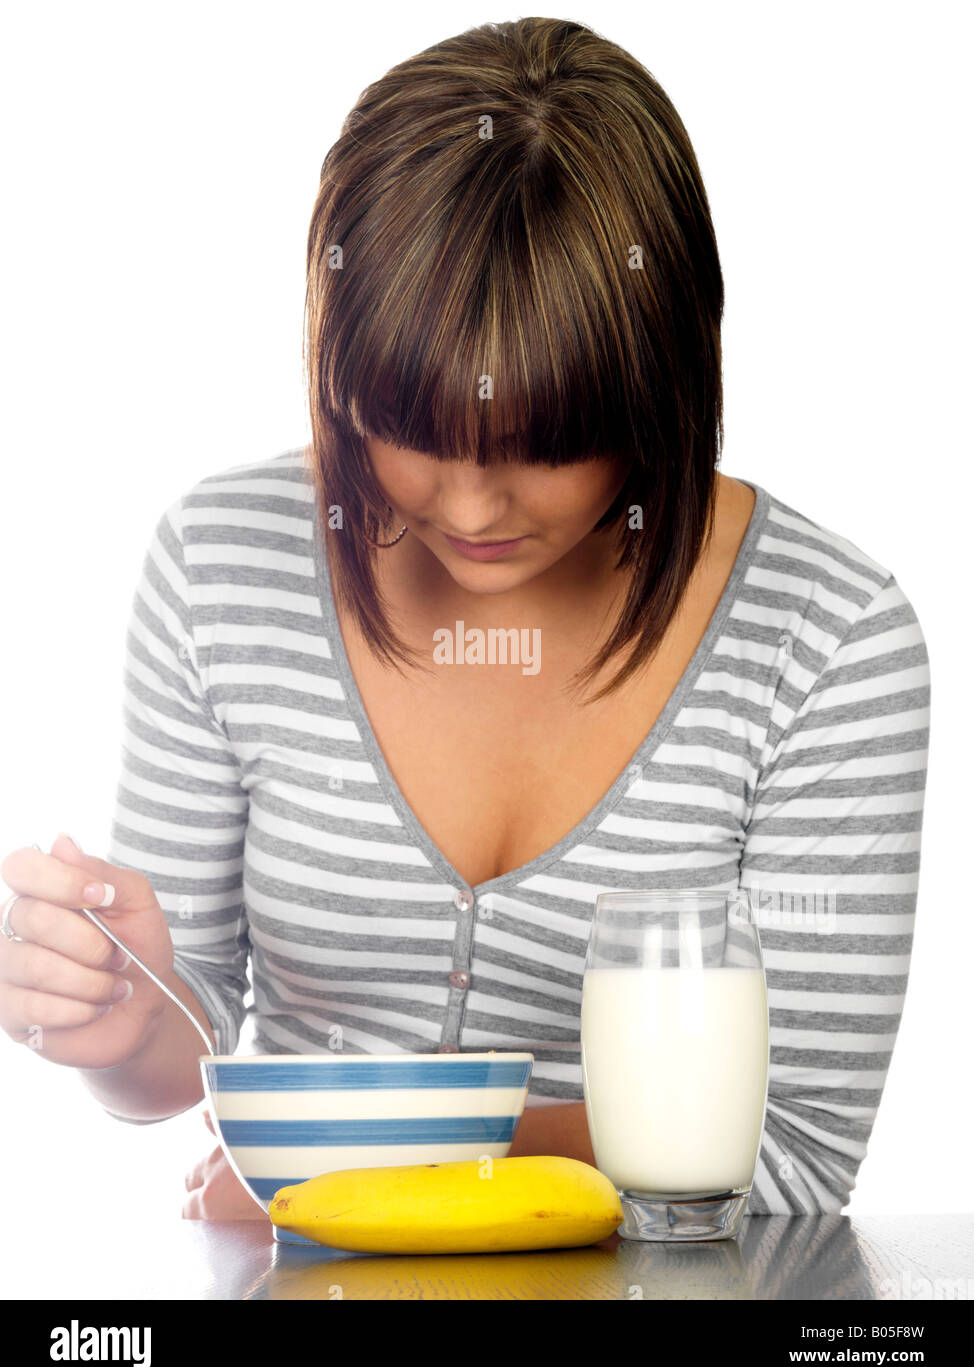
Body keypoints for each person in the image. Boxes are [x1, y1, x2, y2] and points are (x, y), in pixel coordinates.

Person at [0, 17, 930, 1221]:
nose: (473, 506)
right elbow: (185, 1058)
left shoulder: (829, 642)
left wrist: (367, 1170)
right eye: (415, 434)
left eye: (545, 446)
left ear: (665, 382)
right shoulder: (220, 567)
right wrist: (120, 1019)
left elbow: (787, 1157)